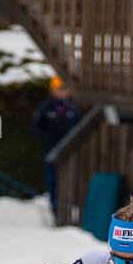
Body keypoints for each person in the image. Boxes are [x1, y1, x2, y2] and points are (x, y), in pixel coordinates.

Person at [32, 76, 81, 216]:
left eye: (65, 89)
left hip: (69, 153)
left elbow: (79, 125)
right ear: (53, 90)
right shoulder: (45, 108)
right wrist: (47, 139)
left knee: (70, 179)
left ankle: (68, 206)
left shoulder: (73, 108)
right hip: (51, 151)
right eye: (59, 89)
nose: (62, 92)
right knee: (52, 180)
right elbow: (36, 128)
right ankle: (54, 207)